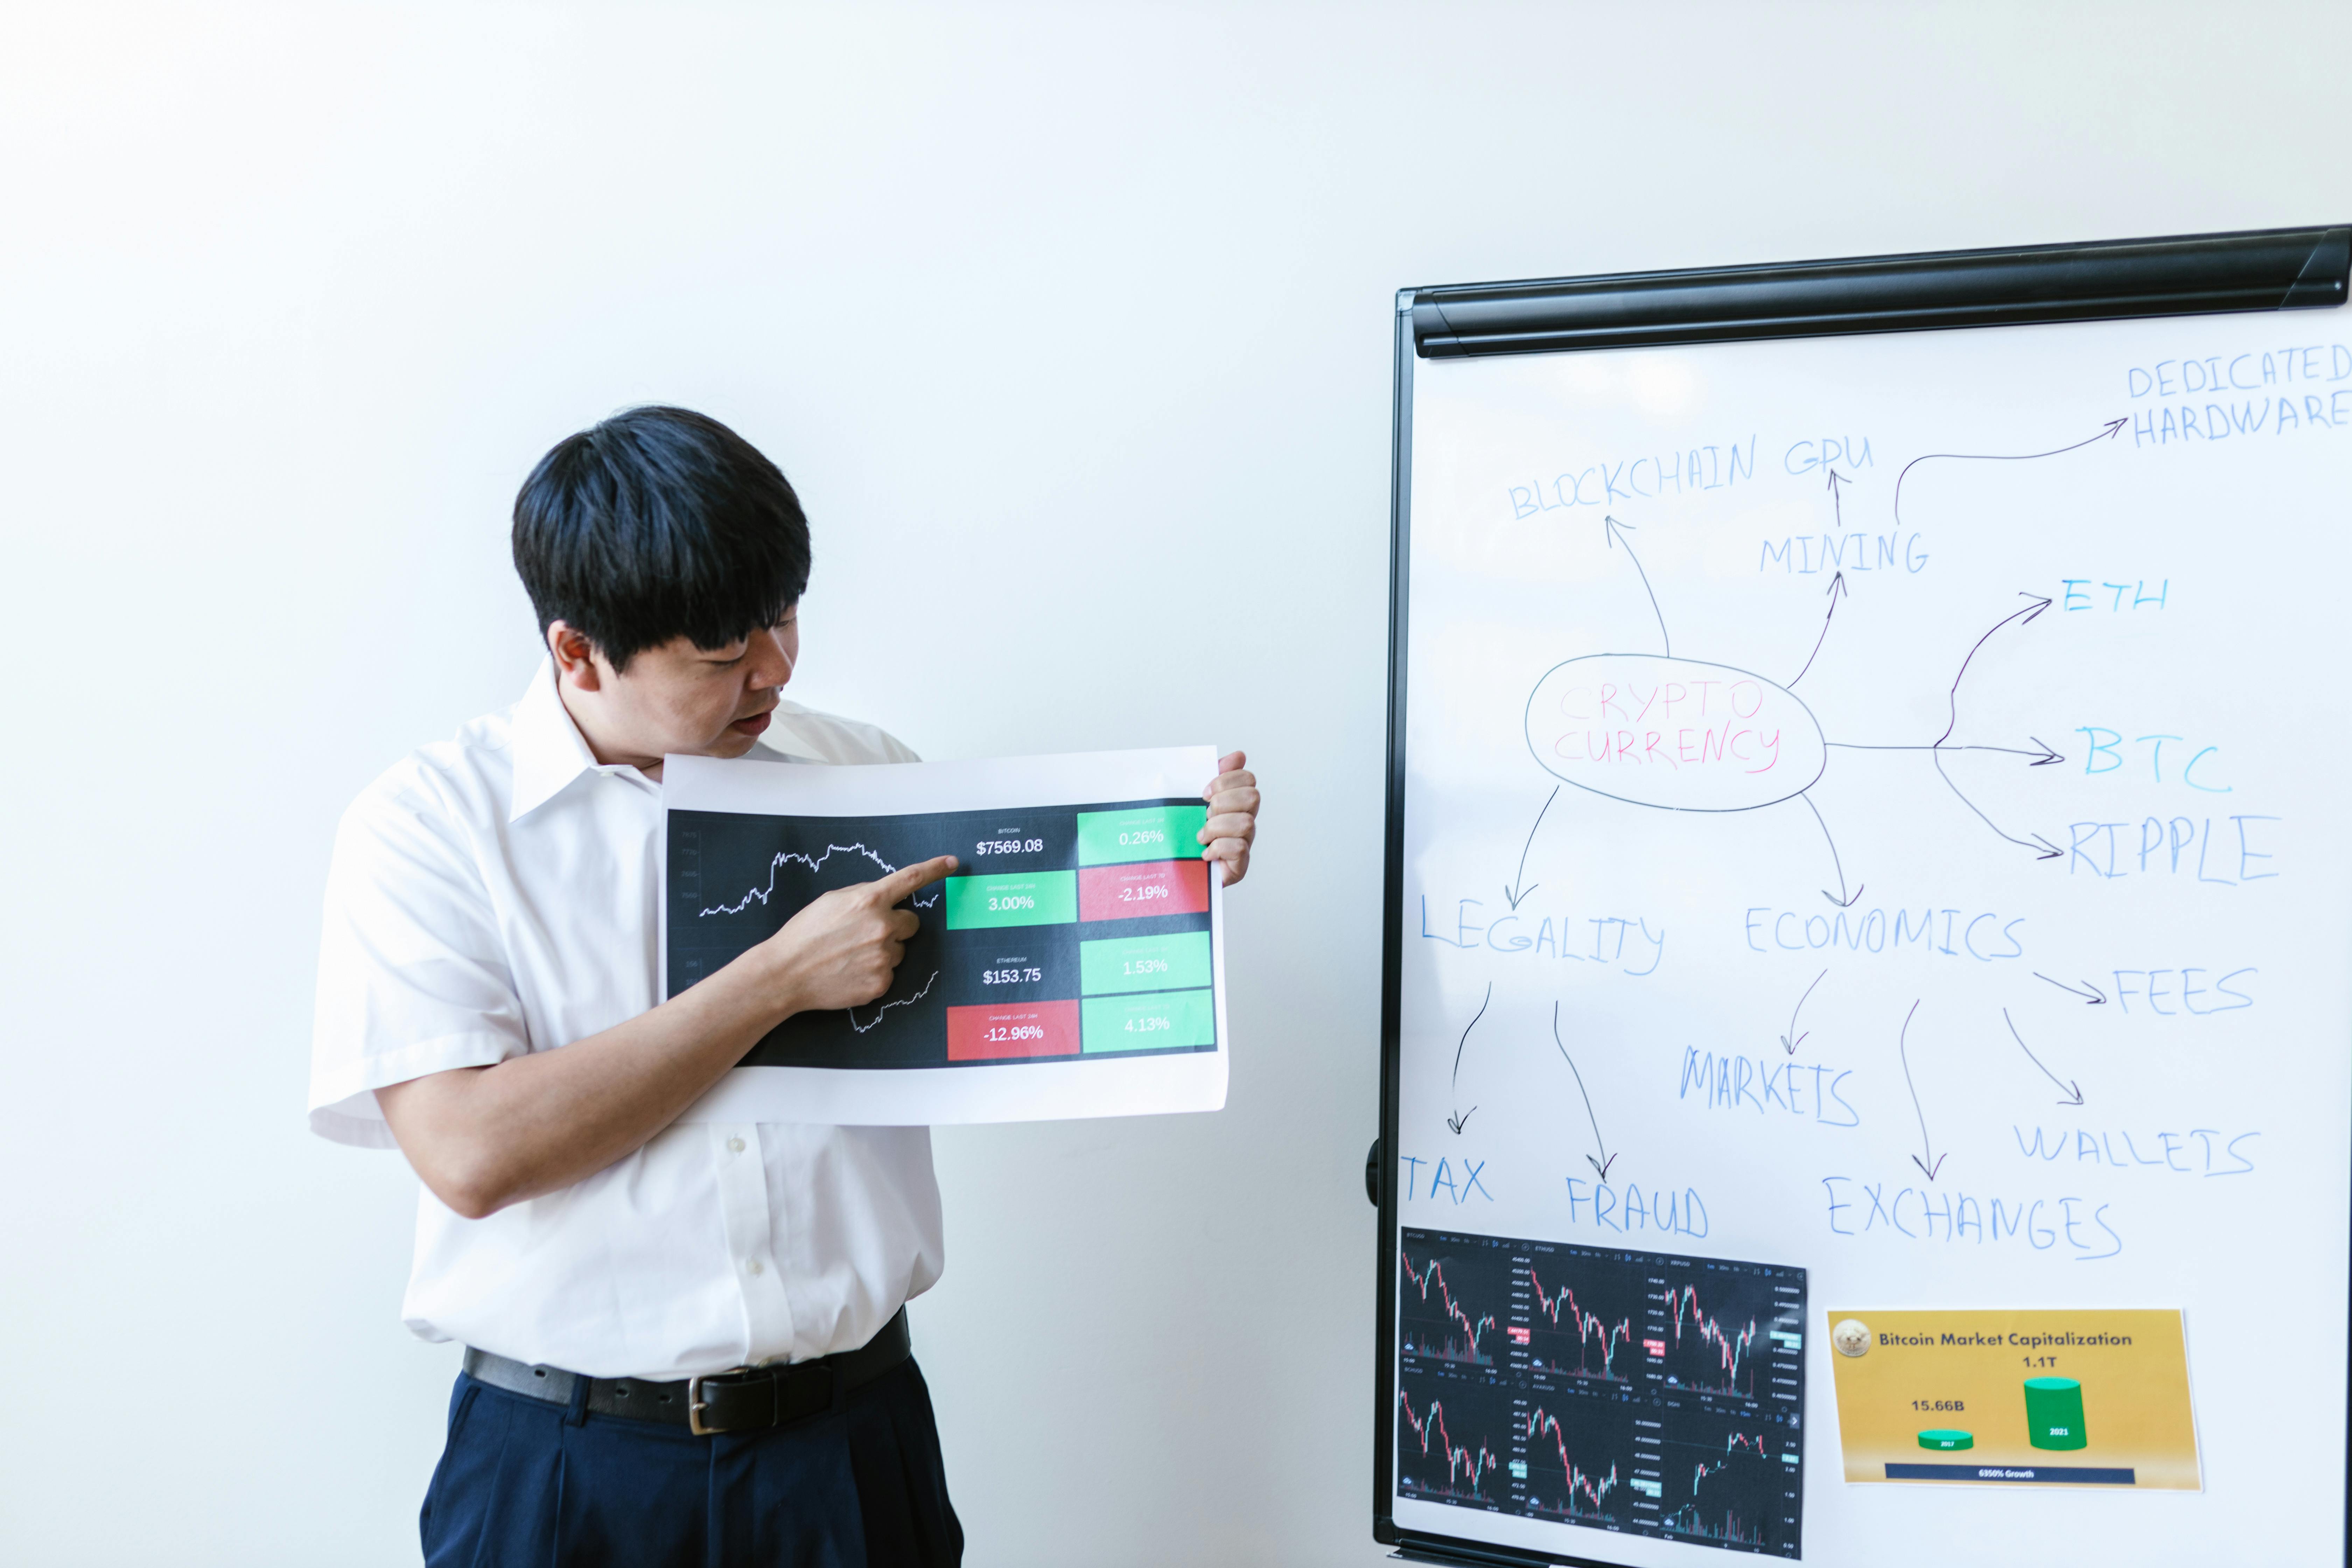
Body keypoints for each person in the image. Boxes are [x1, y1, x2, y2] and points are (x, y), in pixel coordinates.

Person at [307, 406, 1262, 1566]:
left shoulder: (862, 774)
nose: (773, 668)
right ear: (577, 653)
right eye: (720, 658)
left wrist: (1171, 866)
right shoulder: (430, 828)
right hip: (566, 1467)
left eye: (783, 619)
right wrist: (771, 983)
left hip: (849, 1450)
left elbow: (1026, 995)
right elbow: (470, 1153)